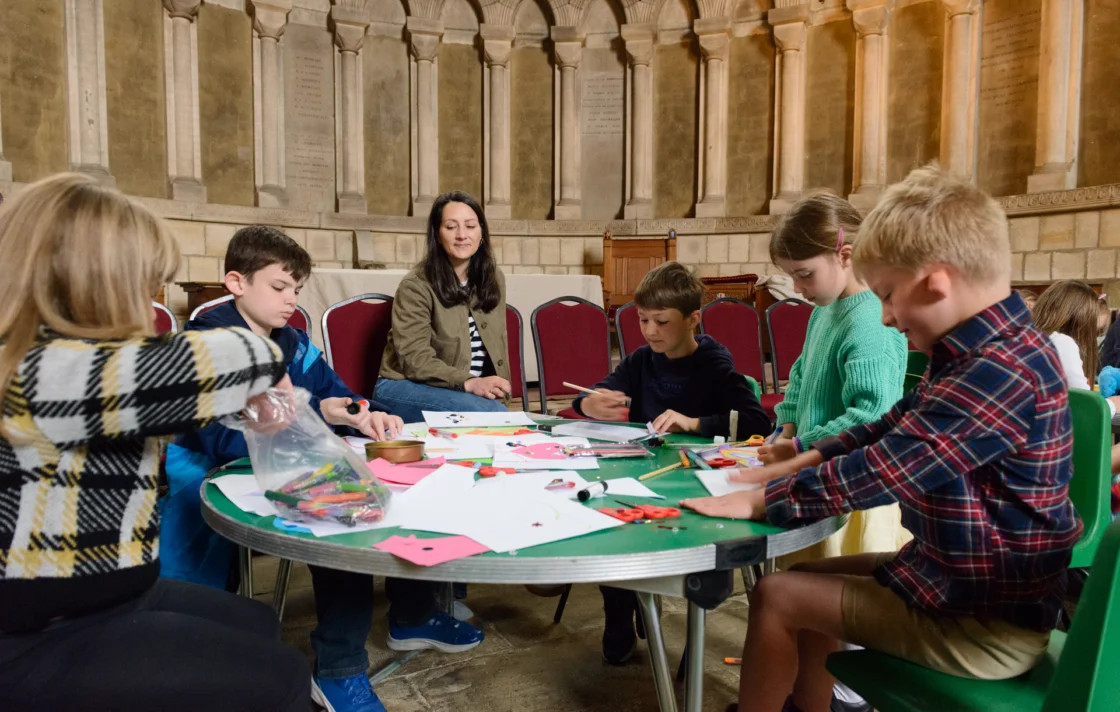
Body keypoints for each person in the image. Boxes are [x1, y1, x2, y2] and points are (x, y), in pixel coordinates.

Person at [681, 165, 1081, 712]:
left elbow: (889, 467)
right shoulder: (981, 351)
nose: (887, 317)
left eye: (889, 295)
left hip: (982, 623)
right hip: (947, 579)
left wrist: (762, 499)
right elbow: (893, 424)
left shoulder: (1000, 372)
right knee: (801, 578)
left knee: (777, 594)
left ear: (936, 283)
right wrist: (801, 457)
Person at [0, 173, 311, 710]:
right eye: (142, 283)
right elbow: (234, 358)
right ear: (86, 278)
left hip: (106, 592)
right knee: (279, 676)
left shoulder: (87, 365)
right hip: (33, 632)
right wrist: (267, 364)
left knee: (258, 621)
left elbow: (168, 403)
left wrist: (248, 406)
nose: (150, 301)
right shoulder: (32, 368)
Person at [160, 225, 482, 712]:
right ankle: (338, 669)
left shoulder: (291, 339)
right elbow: (217, 436)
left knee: (404, 489)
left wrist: (363, 411)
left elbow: (335, 389)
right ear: (235, 282)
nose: (291, 300)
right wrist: (305, 418)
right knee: (341, 519)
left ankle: (414, 614)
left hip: (283, 459)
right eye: (279, 287)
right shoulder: (206, 341)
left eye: (296, 289)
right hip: (213, 467)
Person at [574, 260, 772, 664]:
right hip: (638, 474)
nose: (649, 331)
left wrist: (695, 421)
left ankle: (651, 593)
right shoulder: (641, 361)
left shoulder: (713, 363)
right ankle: (619, 610)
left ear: (692, 319)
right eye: (642, 319)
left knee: (660, 538)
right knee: (610, 526)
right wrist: (588, 401)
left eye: (661, 322)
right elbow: (595, 393)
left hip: (689, 482)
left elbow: (755, 421)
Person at [759, 192, 908, 572]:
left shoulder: (870, 320)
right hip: (820, 472)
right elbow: (799, 376)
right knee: (802, 594)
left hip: (857, 490)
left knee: (835, 599)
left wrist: (798, 446)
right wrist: (787, 427)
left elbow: (872, 416)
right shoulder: (824, 311)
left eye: (804, 274)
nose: (796, 287)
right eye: (792, 276)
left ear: (845, 255)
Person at [376, 192, 512, 422]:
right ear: (437, 235)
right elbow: (415, 360)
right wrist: (470, 383)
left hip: (465, 392)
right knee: (494, 416)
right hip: (404, 386)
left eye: (470, 226)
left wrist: (494, 387)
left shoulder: (493, 278)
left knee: (497, 416)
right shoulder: (416, 285)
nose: (462, 235)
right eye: (451, 227)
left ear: (481, 233)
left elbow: (497, 344)